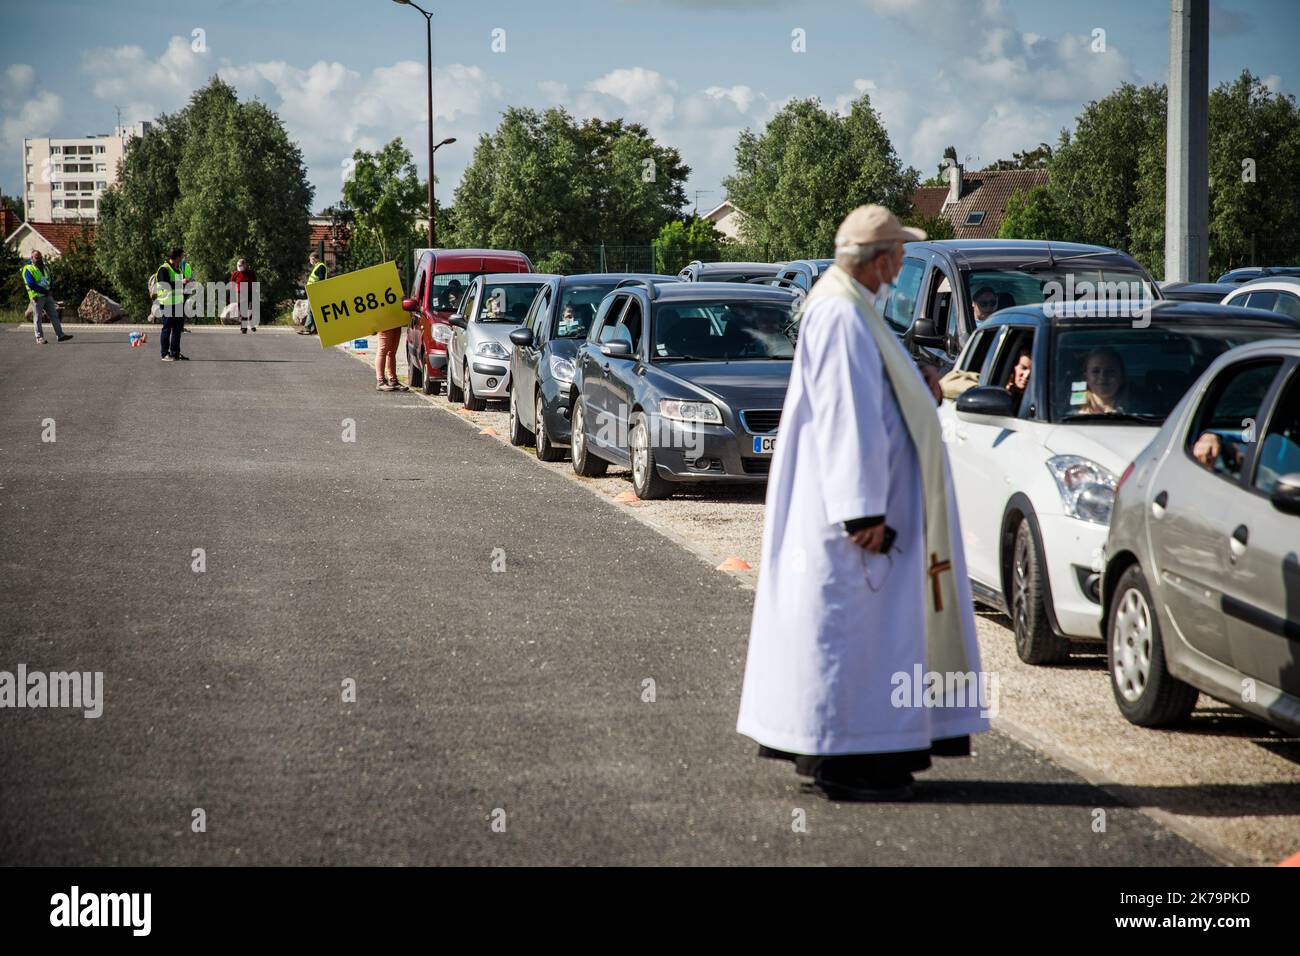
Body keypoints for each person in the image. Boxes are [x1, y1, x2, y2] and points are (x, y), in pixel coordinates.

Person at [736, 205, 988, 802]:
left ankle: (867, 754)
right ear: (879, 260)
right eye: (898, 253)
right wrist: (863, 512)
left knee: (872, 641)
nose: (903, 263)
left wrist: (921, 381)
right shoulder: (842, 313)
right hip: (856, 523)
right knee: (855, 638)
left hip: (864, 513)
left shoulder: (852, 307)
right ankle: (847, 763)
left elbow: (872, 391)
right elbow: (845, 416)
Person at [22, 250, 73, 344]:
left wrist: (52, 288)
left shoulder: (44, 267)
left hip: (47, 296)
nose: (39, 259)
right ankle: (39, 338)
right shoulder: (28, 269)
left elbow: (50, 278)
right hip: (36, 297)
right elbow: (31, 284)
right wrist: (44, 291)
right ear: (32, 258)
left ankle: (60, 335)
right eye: (36, 257)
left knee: (54, 315)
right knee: (37, 317)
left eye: (40, 257)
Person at [153, 247, 189, 362]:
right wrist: (180, 283)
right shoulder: (164, 269)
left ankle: (175, 353)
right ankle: (164, 354)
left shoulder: (177, 269)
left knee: (177, 329)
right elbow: (165, 285)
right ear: (177, 257)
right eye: (182, 256)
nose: (183, 259)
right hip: (167, 304)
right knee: (167, 329)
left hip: (178, 303)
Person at [1079, 347, 1127, 414]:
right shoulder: (1070, 418)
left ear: (1121, 378)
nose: (1103, 376)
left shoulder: (1137, 415)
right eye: (1095, 371)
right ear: (1086, 378)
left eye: (1110, 371)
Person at [298, 253, 328, 335]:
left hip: (316, 292)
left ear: (315, 259)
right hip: (313, 292)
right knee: (314, 311)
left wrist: (316, 290)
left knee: (310, 311)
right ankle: (314, 330)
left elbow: (321, 280)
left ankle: (307, 328)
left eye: (311, 259)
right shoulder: (317, 267)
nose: (310, 261)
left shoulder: (320, 266)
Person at [375, 324, 407, 392]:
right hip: (385, 321)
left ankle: (393, 380)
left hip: (396, 321)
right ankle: (380, 381)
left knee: (391, 352)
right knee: (383, 351)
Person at [230, 258, 258, 333]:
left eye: (241, 265)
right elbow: (232, 283)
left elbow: (255, 282)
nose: (240, 267)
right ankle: (244, 327)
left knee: (251, 309)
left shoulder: (251, 273)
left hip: (250, 292)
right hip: (240, 294)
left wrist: (255, 291)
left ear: (245, 265)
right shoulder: (235, 273)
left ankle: (251, 323)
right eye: (239, 265)